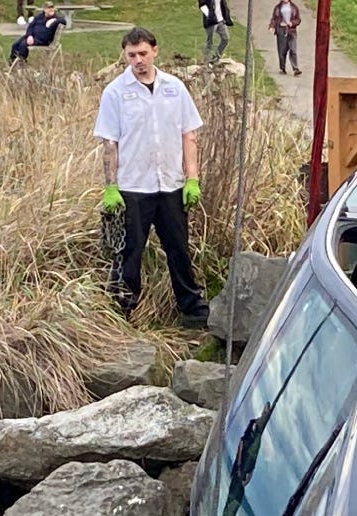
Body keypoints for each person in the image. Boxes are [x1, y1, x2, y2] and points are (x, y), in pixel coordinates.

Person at [94, 26, 211, 329]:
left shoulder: (175, 88)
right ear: (125, 56)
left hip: (171, 184)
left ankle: (192, 310)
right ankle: (122, 312)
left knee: (179, 249)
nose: (138, 60)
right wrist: (111, 188)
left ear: (155, 51)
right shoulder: (116, 93)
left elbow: (189, 134)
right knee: (129, 254)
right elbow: (110, 143)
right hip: (134, 187)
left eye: (143, 53)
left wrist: (192, 179)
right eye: (131, 55)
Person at [269, 0, 302, 76]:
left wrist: (292, 23)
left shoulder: (294, 7)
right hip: (281, 30)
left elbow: (298, 19)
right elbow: (274, 19)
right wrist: (272, 26)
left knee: (293, 50)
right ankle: (282, 68)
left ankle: (296, 69)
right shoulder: (277, 8)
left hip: (291, 31)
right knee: (282, 51)